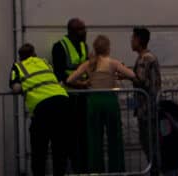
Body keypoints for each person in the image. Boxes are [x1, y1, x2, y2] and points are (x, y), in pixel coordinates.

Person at [68, 34, 136, 173]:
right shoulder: (112, 63)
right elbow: (132, 75)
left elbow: (70, 80)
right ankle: (116, 170)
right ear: (108, 48)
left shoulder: (88, 64)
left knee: (94, 139)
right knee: (114, 137)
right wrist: (119, 74)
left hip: (93, 102)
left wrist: (84, 83)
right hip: (109, 100)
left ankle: (96, 170)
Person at [12, 41, 73, 176]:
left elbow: (16, 88)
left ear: (20, 57)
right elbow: (57, 80)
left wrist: (25, 87)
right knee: (60, 149)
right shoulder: (45, 63)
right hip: (63, 102)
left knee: (39, 150)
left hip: (43, 108)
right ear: (34, 54)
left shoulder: (18, 66)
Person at [53, 21, 91, 167]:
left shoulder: (84, 46)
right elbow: (59, 73)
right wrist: (79, 84)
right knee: (69, 135)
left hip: (82, 97)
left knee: (83, 134)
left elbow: (88, 68)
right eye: (81, 29)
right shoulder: (59, 47)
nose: (85, 32)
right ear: (72, 32)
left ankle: (82, 166)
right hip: (68, 98)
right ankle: (73, 165)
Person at [131, 28, 162, 171]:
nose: (131, 41)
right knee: (147, 141)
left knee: (148, 141)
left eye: (133, 38)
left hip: (148, 109)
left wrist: (127, 75)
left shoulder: (146, 58)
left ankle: (154, 170)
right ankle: (154, 169)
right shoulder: (143, 57)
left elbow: (141, 81)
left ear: (139, 40)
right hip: (146, 108)